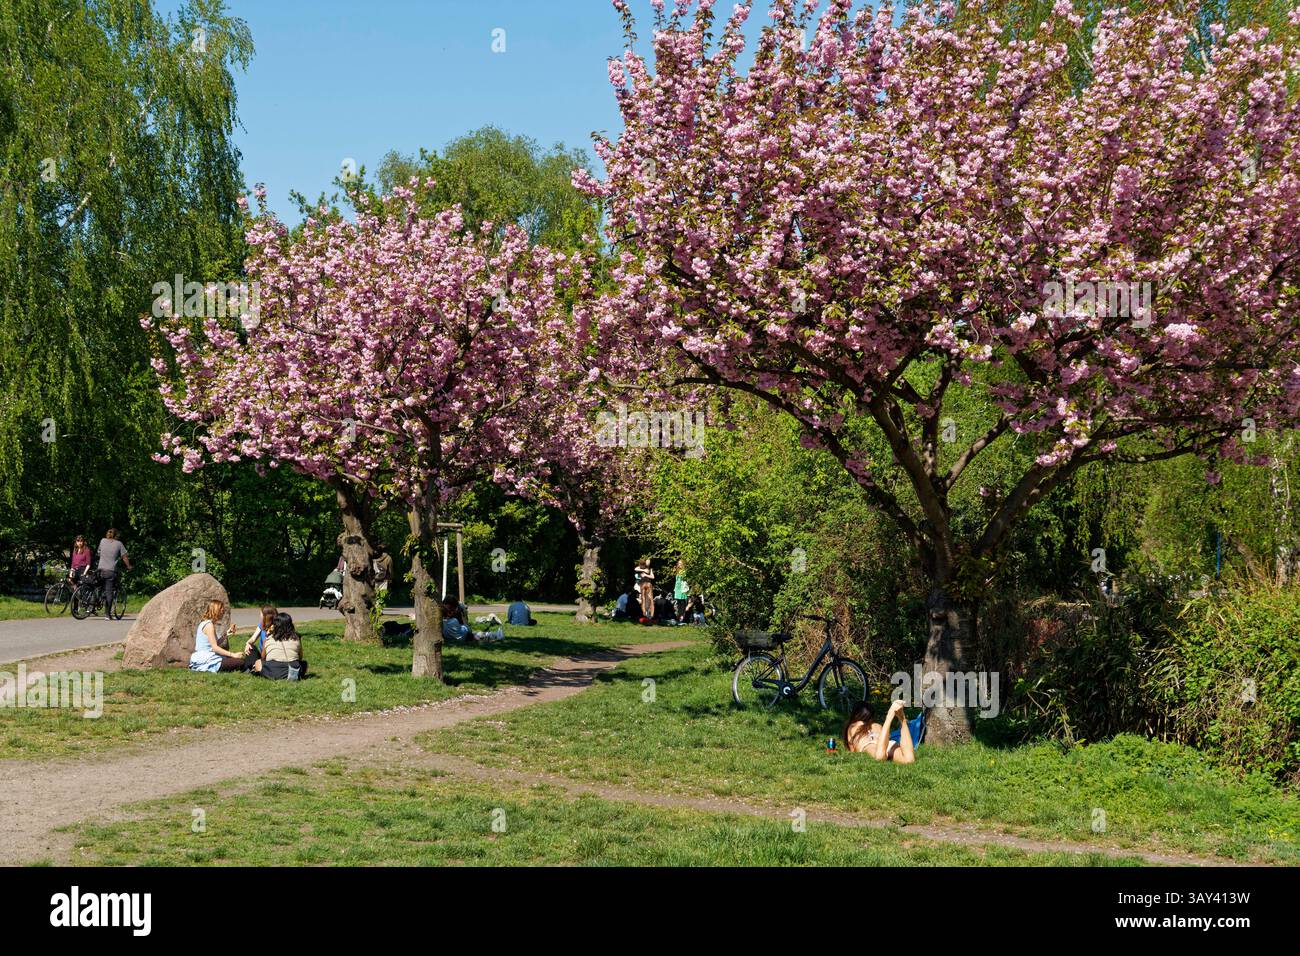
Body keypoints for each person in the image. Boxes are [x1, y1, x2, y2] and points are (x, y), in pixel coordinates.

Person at [843, 700, 917, 764]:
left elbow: (852, 749)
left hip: (869, 744)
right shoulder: (877, 726)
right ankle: (902, 720)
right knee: (909, 760)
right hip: (885, 743)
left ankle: (890, 716)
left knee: (879, 756)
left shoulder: (852, 726)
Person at [189, 599, 249, 672]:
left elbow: (213, 644)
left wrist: (226, 634)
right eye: (221, 610)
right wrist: (233, 654)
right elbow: (215, 648)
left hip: (205, 657)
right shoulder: (209, 625)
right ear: (215, 610)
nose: (223, 612)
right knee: (241, 662)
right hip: (207, 659)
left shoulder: (205, 623)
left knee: (236, 660)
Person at [244, 611, 308, 680]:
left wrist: (266, 637)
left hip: (273, 670)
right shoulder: (296, 637)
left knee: (258, 662)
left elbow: (263, 657)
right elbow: (300, 657)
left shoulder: (270, 638)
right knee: (304, 663)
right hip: (292, 669)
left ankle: (252, 670)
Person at [95, 528, 133, 621]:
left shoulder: (102, 541)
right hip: (110, 571)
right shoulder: (119, 544)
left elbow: (99, 553)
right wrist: (129, 566)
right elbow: (124, 557)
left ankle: (92, 604)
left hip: (100, 570)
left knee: (97, 586)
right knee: (109, 592)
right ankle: (107, 614)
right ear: (116, 535)